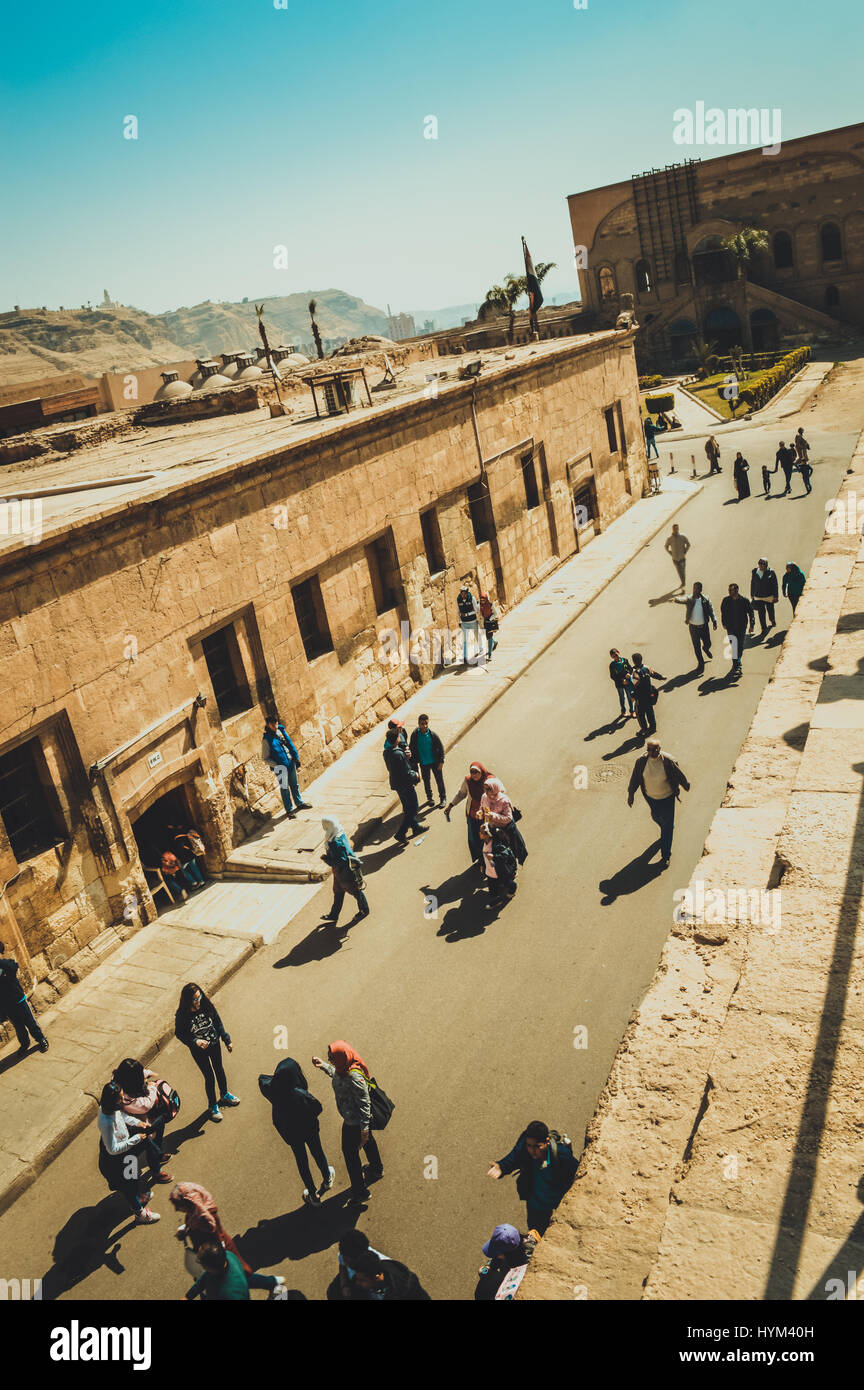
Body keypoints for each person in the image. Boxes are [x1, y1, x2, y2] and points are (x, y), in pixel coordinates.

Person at [313, 1041, 383, 1204]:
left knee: (350, 1155)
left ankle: (360, 1192)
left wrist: (364, 1127)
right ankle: (376, 1168)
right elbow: (338, 1075)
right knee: (368, 1142)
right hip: (356, 1120)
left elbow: (364, 1102)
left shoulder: (353, 1076)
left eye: (332, 1058)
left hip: (354, 1122)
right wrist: (323, 1066)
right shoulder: (344, 1068)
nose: (330, 1060)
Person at [259, 1058, 334, 1207]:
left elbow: (262, 1079)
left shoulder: (273, 1091)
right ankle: (327, 1178)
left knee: (302, 1161)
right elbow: (318, 1107)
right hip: (309, 1128)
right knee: (317, 1152)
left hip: (291, 1132)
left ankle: (313, 1194)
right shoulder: (299, 1094)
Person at [487, 1120, 578, 1235]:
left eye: (537, 1146)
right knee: (536, 1235)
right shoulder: (525, 1149)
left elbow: (578, 1175)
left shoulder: (562, 1156)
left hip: (558, 1204)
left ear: (547, 1142)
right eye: (529, 1146)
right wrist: (501, 1167)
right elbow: (514, 1157)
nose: (532, 1150)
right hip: (536, 1205)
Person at [174, 982, 240, 1123]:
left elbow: (217, 1021)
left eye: (199, 997)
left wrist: (226, 1039)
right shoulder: (182, 1015)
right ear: (187, 1001)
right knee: (209, 1077)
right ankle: (212, 1106)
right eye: (195, 999)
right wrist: (195, 1041)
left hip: (214, 1044)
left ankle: (224, 1094)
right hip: (199, 1051)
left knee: (219, 1070)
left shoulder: (206, 1005)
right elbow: (180, 1034)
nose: (198, 1001)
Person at [96, 1080, 159, 1225]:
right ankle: (139, 1214)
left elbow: (122, 1117)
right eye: (120, 1098)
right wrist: (135, 1139)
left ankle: (139, 1197)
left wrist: (137, 1123)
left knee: (133, 1178)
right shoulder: (106, 1122)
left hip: (126, 1149)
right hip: (116, 1161)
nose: (123, 1100)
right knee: (128, 1186)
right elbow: (112, 1150)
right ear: (113, 1101)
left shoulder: (109, 1108)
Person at [627, 737, 690, 868]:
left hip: (667, 797)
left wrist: (685, 784)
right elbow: (635, 777)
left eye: (655, 749)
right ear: (647, 750)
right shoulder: (641, 762)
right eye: (650, 749)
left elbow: (678, 774)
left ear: (660, 749)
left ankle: (665, 855)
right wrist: (631, 793)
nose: (653, 752)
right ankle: (666, 829)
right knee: (656, 817)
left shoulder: (668, 761)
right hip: (650, 797)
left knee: (666, 827)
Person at [114, 1057, 173, 1186]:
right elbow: (145, 1105)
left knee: (158, 1130)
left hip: (144, 1119)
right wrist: (152, 1087)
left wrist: (147, 1073)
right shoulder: (124, 1098)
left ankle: (158, 1154)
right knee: (149, 1144)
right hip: (133, 1128)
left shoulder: (121, 1077)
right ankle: (156, 1171)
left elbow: (143, 1073)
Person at [170, 1181, 249, 1265]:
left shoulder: (206, 1219)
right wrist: (186, 1229)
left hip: (215, 1258)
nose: (176, 1209)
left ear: (189, 1202)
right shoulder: (195, 1211)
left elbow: (218, 1238)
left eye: (178, 1205)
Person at [185, 1240, 284, 1301]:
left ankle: (278, 1291)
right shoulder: (227, 1256)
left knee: (244, 1280)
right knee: (246, 1279)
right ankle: (273, 1282)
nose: (198, 1262)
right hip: (236, 1279)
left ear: (210, 1267)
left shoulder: (231, 1293)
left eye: (199, 1261)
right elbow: (204, 1279)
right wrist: (188, 1297)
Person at [0, 941, 48, 1053]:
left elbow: (13, 967)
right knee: (18, 1026)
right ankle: (25, 1043)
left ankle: (41, 1039)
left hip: (18, 999)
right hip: (6, 1004)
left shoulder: (7, 964)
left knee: (30, 1022)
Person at [320, 815, 369, 923]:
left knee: (356, 892)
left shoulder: (335, 843)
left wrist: (326, 859)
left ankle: (364, 910)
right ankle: (334, 915)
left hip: (345, 873)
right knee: (338, 893)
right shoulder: (338, 832)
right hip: (339, 874)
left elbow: (341, 861)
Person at [444, 761, 492, 867]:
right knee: (474, 839)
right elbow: (462, 793)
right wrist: (451, 805)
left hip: (487, 817)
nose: (474, 775)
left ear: (482, 771)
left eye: (476, 772)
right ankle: (482, 860)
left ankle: (492, 863)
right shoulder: (468, 781)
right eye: (472, 772)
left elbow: (497, 795)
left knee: (489, 840)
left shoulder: (489, 781)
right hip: (472, 815)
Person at [262, 715, 311, 818]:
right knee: (284, 788)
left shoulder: (280, 731)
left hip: (290, 761)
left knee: (294, 784)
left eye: (275, 723)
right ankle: (289, 810)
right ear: (268, 725)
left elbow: (289, 743)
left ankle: (299, 803)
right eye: (272, 724)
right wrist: (277, 765)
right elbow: (265, 758)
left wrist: (295, 758)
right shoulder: (266, 740)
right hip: (280, 767)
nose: (275, 726)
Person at [475, 1224, 539, 1301]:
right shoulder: (530, 1239)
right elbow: (497, 1259)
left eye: (497, 1253)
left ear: (506, 1254)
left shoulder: (522, 1266)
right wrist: (489, 1265)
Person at [383, 721, 423, 842]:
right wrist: (416, 775)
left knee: (407, 807)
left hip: (397, 784)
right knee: (413, 807)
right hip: (405, 784)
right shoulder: (398, 754)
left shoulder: (386, 753)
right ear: (396, 739)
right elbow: (406, 771)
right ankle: (401, 832)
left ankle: (415, 827)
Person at [480, 774, 527, 867]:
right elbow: (482, 807)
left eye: (488, 789)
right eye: (484, 788)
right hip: (493, 829)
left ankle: (512, 868)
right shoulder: (485, 797)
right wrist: (480, 812)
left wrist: (493, 815)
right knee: (497, 851)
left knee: (510, 851)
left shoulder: (504, 800)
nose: (486, 791)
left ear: (495, 788)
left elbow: (508, 818)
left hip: (506, 830)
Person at [330, 1230, 390, 1300]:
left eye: (348, 1260)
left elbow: (380, 1281)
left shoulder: (377, 1269)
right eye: (344, 1258)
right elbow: (342, 1266)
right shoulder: (345, 1254)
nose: (345, 1262)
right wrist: (344, 1285)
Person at [350, 1251, 431, 1301]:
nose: (357, 1283)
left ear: (375, 1278)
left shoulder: (404, 1289)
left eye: (362, 1280)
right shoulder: (379, 1275)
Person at [409, 714, 446, 806]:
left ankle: (443, 798)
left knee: (439, 781)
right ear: (418, 723)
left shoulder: (432, 735)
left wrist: (441, 761)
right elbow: (412, 747)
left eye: (426, 723)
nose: (424, 726)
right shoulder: (415, 735)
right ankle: (430, 798)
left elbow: (440, 748)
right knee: (426, 782)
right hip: (423, 763)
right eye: (422, 724)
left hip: (435, 762)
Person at [680, 582, 717, 671]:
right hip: (693, 628)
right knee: (696, 646)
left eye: (697, 588)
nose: (695, 590)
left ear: (700, 590)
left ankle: (706, 648)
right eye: (694, 588)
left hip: (704, 627)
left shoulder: (705, 599)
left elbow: (711, 610)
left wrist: (714, 620)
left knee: (708, 643)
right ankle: (701, 664)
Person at [720, 582, 755, 676]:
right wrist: (723, 623)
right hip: (730, 627)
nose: (730, 592)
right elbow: (723, 612)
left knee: (739, 647)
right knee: (734, 646)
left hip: (741, 627)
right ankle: (737, 666)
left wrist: (752, 625)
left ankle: (736, 663)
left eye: (731, 590)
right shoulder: (726, 600)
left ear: (737, 590)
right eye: (729, 590)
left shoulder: (744, 601)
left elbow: (751, 612)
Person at [479, 822, 518, 902]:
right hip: (490, 871)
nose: (479, 833)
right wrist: (482, 864)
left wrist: (494, 856)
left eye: (482, 832)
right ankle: (495, 899)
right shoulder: (484, 843)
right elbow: (483, 855)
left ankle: (513, 887)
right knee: (492, 887)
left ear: (488, 835)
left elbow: (504, 856)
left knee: (506, 882)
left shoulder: (497, 845)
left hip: (499, 871)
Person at [630, 652, 665, 737]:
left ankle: (644, 729)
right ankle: (653, 728)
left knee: (641, 715)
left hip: (641, 697)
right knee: (650, 712)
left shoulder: (634, 672)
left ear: (634, 661)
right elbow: (654, 674)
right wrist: (661, 677)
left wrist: (633, 697)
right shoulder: (646, 667)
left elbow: (635, 685)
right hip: (649, 694)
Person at [750, 558, 779, 635]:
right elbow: (752, 583)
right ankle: (764, 628)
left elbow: (775, 585)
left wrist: (776, 596)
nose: (761, 566)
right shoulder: (754, 571)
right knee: (761, 613)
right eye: (760, 564)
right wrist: (752, 594)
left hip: (768, 596)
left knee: (770, 610)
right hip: (758, 596)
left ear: (766, 565)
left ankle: (772, 620)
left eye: (763, 564)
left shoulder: (771, 572)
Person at [456, 582, 480, 665]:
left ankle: (481, 650)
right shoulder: (458, 599)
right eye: (462, 593)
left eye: (464, 593)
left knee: (477, 636)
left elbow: (476, 610)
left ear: (467, 593)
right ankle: (465, 657)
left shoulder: (472, 598)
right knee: (465, 640)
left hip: (472, 621)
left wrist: (467, 614)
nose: (463, 595)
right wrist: (460, 620)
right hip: (464, 623)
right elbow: (458, 611)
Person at [609, 649, 635, 719]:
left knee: (630, 697)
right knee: (622, 698)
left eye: (616, 655)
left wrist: (629, 674)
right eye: (614, 656)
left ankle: (632, 711)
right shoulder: (612, 665)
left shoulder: (625, 660)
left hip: (628, 682)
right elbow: (612, 676)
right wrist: (621, 680)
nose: (616, 657)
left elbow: (630, 669)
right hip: (619, 684)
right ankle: (623, 712)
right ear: (612, 657)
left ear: (619, 653)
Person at [664, 523, 690, 589]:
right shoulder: (670, 539)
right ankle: (683, 582)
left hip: (682, 558)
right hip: (675, 559)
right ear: (672, 529)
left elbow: (688, 544)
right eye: (674, 529)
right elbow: (666, 546)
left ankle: (683, 583)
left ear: (678, 528)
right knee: (679, 571)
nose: (675, 530)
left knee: (683, 571)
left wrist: (685, 551)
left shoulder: (682, 537)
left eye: (676, 528)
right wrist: (670, 553)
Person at [478, 591, 499, 661]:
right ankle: (495, 642)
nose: (482, 601)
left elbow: (495, 613)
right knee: (488, 637)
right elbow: (480, 614)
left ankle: (490, 654)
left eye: (484, 600)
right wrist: (481, 624)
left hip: (490, 622)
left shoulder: (490, 604)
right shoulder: (480, 606)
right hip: (485, 623)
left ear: (486, 599)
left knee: (489, 637)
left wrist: (490, 619)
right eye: (481, 600)